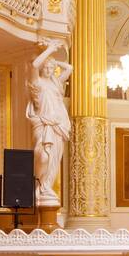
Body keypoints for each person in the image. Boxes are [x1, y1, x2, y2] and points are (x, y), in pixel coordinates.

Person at [27, 40, 72, 204]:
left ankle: (46, 187)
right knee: (44, 157)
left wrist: (54, 61)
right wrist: (49, 50)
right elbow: (34, 65)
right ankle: (37, 184)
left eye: (51, 68)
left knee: (53, 160)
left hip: (57, 126)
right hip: (43, 124)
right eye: (45, 67)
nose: (48, 70)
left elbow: (69, 68)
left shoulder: (56, 84)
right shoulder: (36, 83)